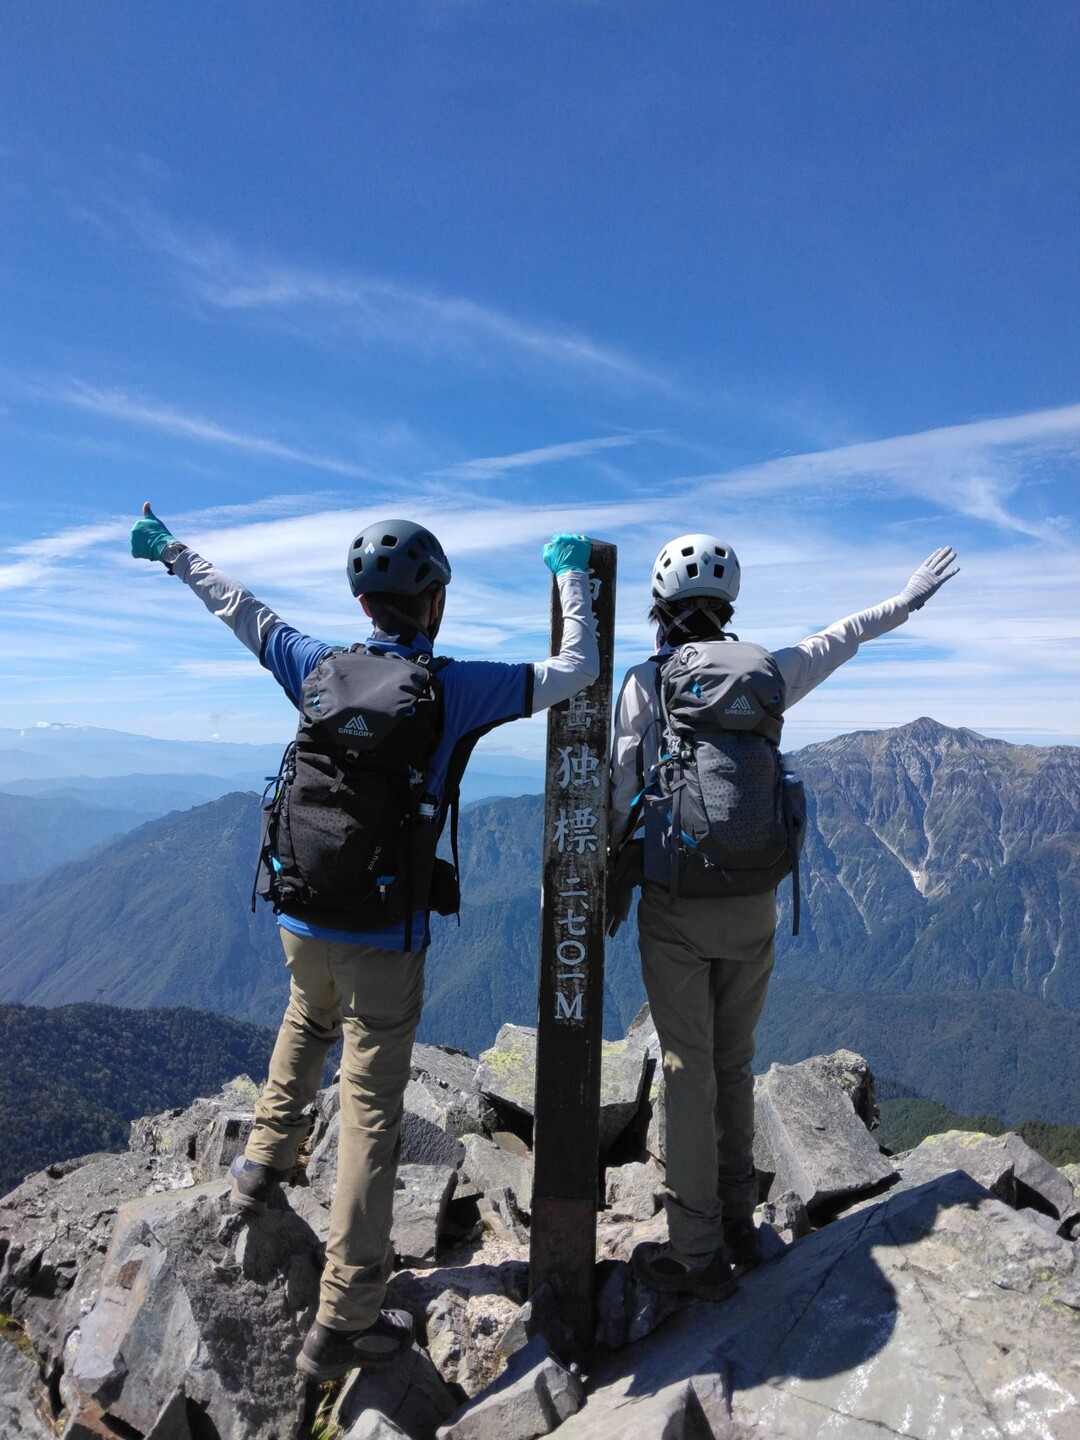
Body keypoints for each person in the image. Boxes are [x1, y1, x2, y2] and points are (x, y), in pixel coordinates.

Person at [130, 504, 599, 1378]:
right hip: (387, 932)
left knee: (306, 1018)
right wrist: (571, 574)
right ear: (434, 604)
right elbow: (579, 669)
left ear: (361, 599)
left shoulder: (313, 664)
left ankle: (260, 1167)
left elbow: (238, 607)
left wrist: (170, 552)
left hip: (300, 914)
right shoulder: (454, 688)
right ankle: (343, 1315)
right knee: (371, 1111)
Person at [609, 535, 959, 1301]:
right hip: (755, 903)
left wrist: (596, 876)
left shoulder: (647, 683)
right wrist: (903, 601)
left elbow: (617, 790)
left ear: (661, 611)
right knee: (734, 1063)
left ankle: (695, 1250)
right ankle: (739, 1221)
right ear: (727, 610)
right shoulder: (768, 675)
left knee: (686, 1068)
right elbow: (841, 638)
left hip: (677, 908)